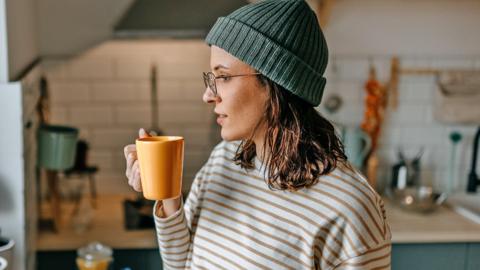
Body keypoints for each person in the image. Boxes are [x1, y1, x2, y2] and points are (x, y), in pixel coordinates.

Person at [123, 0, 391, 269]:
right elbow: (180, 265)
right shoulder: (222, 160)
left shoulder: (349, 208)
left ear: (276, 84)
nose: (208, 95)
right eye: (211, 78)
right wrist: (167, 194)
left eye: (224, 77)